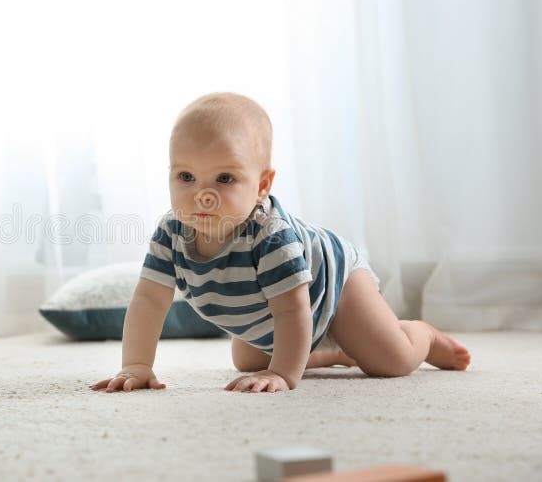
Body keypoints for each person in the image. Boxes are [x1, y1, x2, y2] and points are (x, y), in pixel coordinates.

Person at [90, 92, 470, 394]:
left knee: (391, 361)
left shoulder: (269, 236)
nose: (202, 194)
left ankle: (421, 334)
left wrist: (284, 375)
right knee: (246, 359)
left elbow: (293, 311)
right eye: (186, 176)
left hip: (333, 283)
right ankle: (330, 353)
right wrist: (136, 365)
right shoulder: (171, 232)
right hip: (272, 314)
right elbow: (149, 301)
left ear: (262, 186)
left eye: (224, 178)